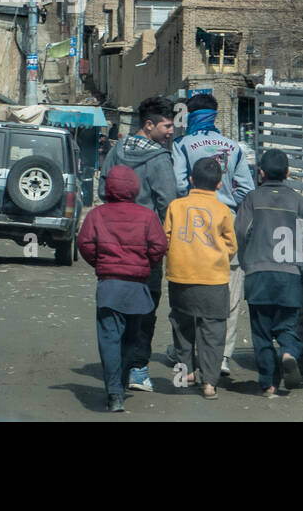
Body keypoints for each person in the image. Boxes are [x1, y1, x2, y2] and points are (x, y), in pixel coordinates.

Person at [171, 92, 256, 377]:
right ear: (214, 115)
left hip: (191, 226)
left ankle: (190, 355)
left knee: (189, 290)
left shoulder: (182, 144)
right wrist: (226, 204)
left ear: (189, 116)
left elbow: (179, 184)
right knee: (229, 297)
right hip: (226, 226)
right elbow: (246, 189)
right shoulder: (234, 147)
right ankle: (220, 358)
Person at [100, 96, 178, 393]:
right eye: (167, 125)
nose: (171, 131)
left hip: (114, 245)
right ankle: (138, 369)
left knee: (114, 306)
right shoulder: (160, 159)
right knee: (145, 307)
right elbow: (168, 205)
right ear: (149, 125)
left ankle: (116, 365)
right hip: (146, 250)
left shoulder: (117, 150)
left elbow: (102, 189)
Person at [78, 166, 168, 413]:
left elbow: (84, 243)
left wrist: (100, 262)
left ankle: (115, 392)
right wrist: (145, 263)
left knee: (109, 340)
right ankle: (121, 384)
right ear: (135, 188)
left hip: (109, 286)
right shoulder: (148, 216)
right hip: (137, 288)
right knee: (131, 340)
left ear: (109, 188)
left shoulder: (97, 215)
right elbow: (159, 246)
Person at [235, 149, 303, 398]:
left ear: (260, 172)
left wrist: (246, 260)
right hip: (288, 275)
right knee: (287, 326)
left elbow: (240, 232)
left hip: (258, 274)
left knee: (261, 332)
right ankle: (289, 352)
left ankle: (269, 384)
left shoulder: (252, 199)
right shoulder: (299, 201)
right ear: (288, 173)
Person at [164, 156, 237, 400]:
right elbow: (231, 245)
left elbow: (166, 238)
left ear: (191, 180)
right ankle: (209, 384)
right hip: (214, 280)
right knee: (213, 332)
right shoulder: (223, 210)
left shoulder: (175, 206)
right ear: (219, 184)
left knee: (183, 328)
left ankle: (184, 374)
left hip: (180, 277)